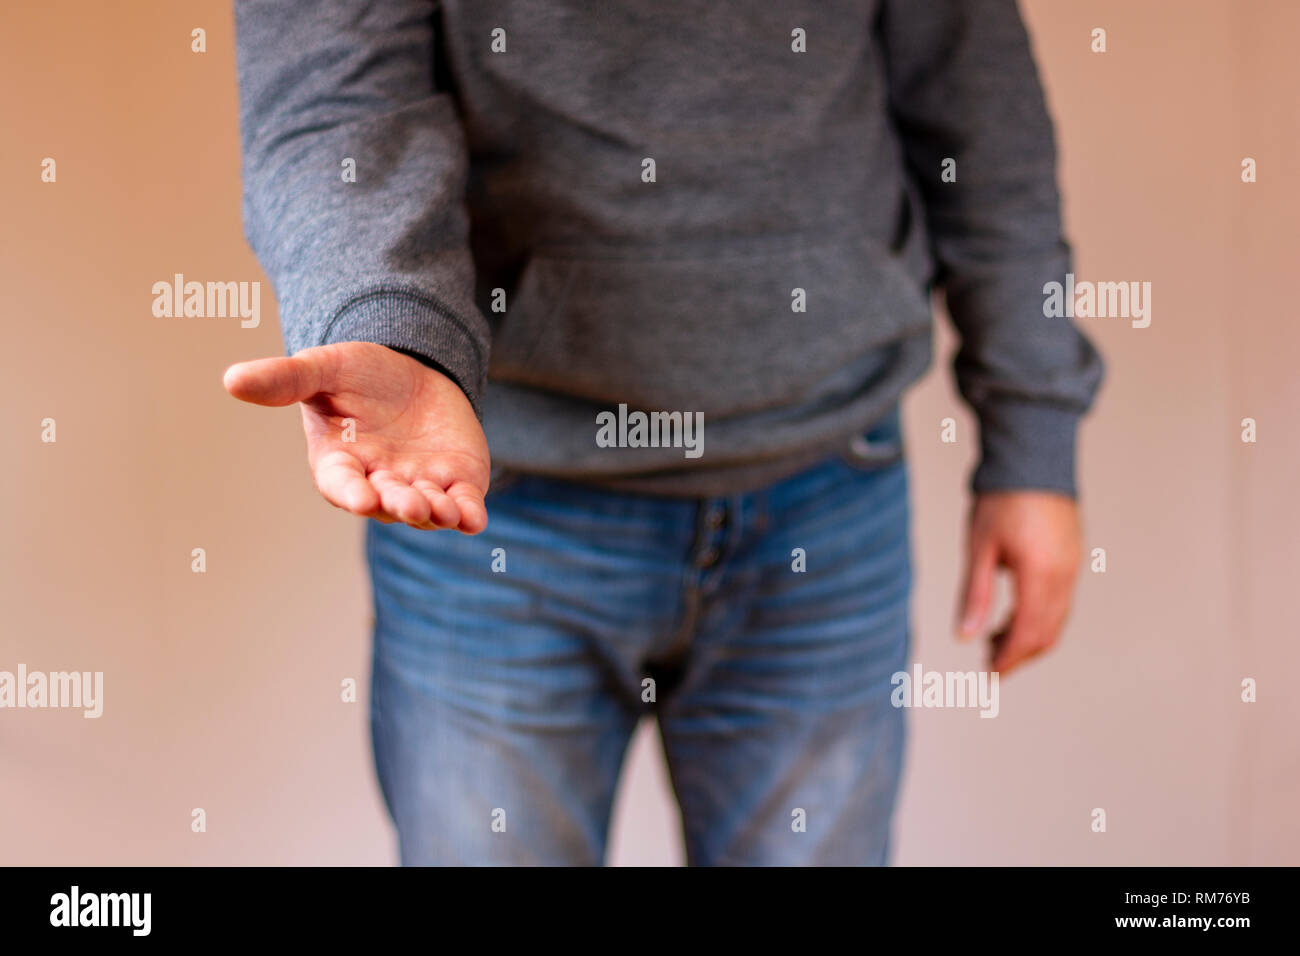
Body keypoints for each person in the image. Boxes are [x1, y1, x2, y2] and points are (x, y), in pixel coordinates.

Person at [224, 0, 1104, 865]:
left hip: (829, 490)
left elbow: (980, 107)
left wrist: (1033, 439)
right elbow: (336, 98)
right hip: (491, 511)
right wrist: (393, 329)